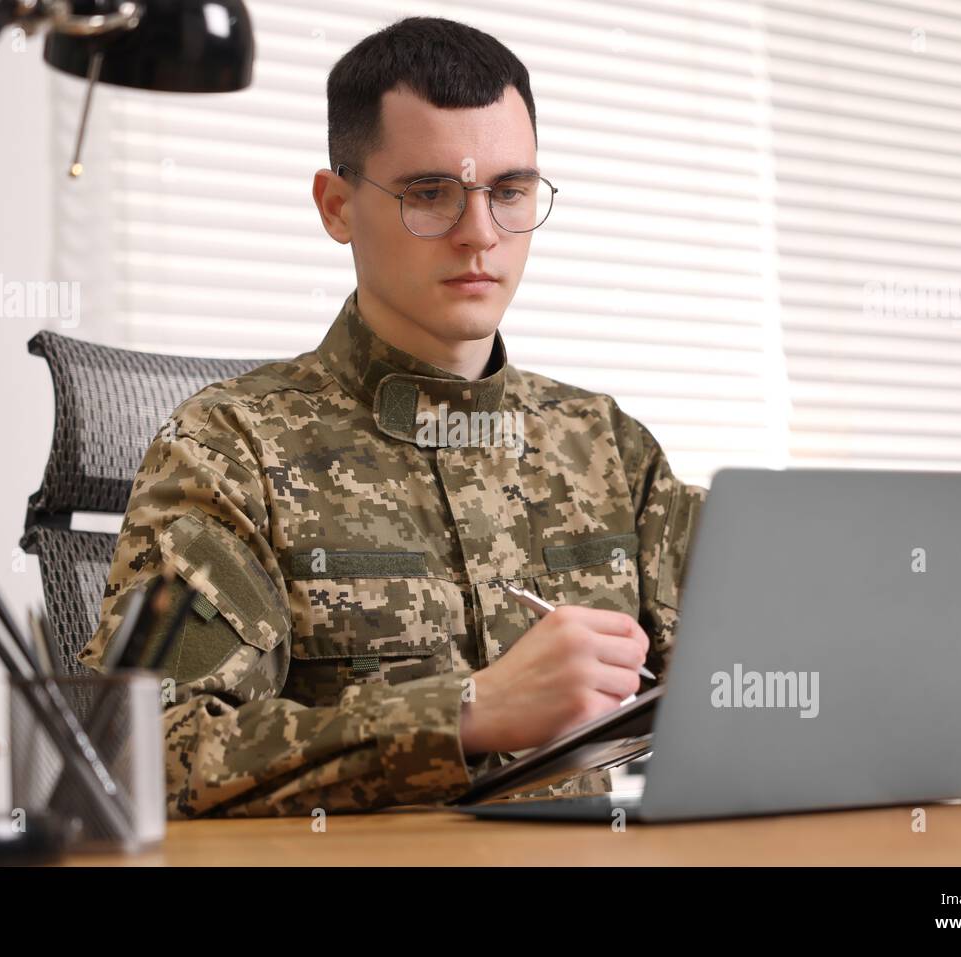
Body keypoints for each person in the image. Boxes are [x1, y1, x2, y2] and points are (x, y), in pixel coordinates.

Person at [77, 15, 706, 818]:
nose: (480, 234)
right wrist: (466, 711)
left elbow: (764, 687)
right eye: (430, 193)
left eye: (509, 192)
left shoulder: (608, 448)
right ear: (337, 206)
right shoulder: (231, 449)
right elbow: (141, 748)